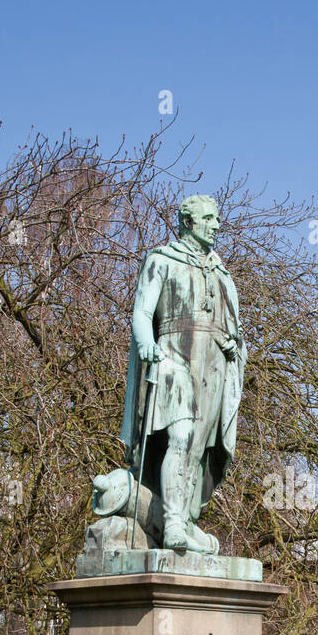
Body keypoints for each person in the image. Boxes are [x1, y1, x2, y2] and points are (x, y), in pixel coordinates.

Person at [120, 194, 246, 554]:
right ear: (189, 222)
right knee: (182, 433)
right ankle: (173, 522)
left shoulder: (221, 273)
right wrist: (147, 343)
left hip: (214, 367)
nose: (217, 225)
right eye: (209, 218)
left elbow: (232, 325)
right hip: (173, 356)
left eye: (217, 218)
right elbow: (143, 313)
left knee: (198, 448)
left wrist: (234, 347)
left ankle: (185, 520)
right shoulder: (162, 259)